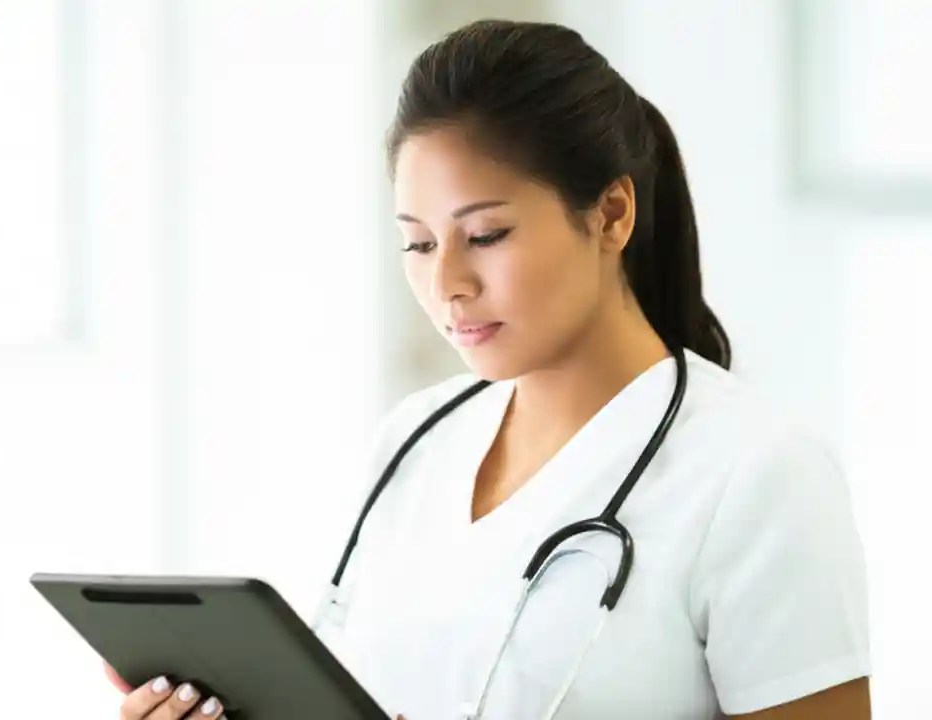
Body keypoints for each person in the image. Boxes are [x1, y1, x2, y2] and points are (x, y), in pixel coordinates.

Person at [106, 18, 871, 719]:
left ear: (611, 215)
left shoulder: (758, 474)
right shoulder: (413, 441)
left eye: (487, 234)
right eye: (418, 243)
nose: (447, 285)